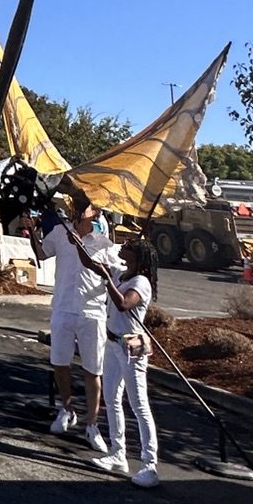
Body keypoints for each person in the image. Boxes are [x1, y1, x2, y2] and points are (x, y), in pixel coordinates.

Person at [37, 187, 112, 454]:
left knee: (93, 370)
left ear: (95, 212)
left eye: (87, 206)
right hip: (63, 307)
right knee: (59, 362)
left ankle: (92, 424)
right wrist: (32, 227)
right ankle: (67, 409)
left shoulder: (104, 242)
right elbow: (42, 253)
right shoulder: (60, 232)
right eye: (78, 205)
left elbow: (112, 276)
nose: (81, 210)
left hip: (92, 312)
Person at [91, 235, 161, 488]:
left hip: (131, 345)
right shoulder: (122, 273)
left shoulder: (140, 282)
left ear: (138, 256)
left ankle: (149, 465)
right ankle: (117, 453)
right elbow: (91, 264)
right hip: (112, 343)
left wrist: (105, 279)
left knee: (138, 404)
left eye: (129, 247)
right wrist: (75, 241)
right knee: (110, 397)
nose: (123, 247)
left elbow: (123, 304)